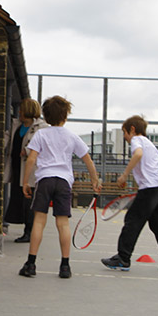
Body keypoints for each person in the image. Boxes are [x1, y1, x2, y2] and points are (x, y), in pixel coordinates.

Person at [19, 96, 101, 279]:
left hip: (45, 180)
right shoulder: (71, 136)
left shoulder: (41, 134)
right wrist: (94, 180)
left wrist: (26, 182)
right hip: (64, 182)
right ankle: (65, 266)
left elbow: (31, 159)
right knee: (62, 224)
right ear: (65, 116)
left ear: (46, 117)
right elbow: (87, 159)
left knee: (39, 222)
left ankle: (31, 264)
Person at [101, 115, 158, 272]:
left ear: (132, 130)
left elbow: (137, 155)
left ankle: (123, 258)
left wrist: (125, 174)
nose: (125, 137)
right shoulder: (151, 145)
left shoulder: (136, 140)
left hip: (150, 188)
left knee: (132, 219)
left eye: (124, 133)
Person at [4, 98, 49, 242]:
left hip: (31, 170)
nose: (20, 112)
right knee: (18, 200)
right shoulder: (16, 125)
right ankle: (26, 229)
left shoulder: (41, 127)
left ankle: (29, 232)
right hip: (17, 167)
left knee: (29, 202)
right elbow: (6, 139)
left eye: (22, 110)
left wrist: (28, 150)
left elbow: (41, 144)